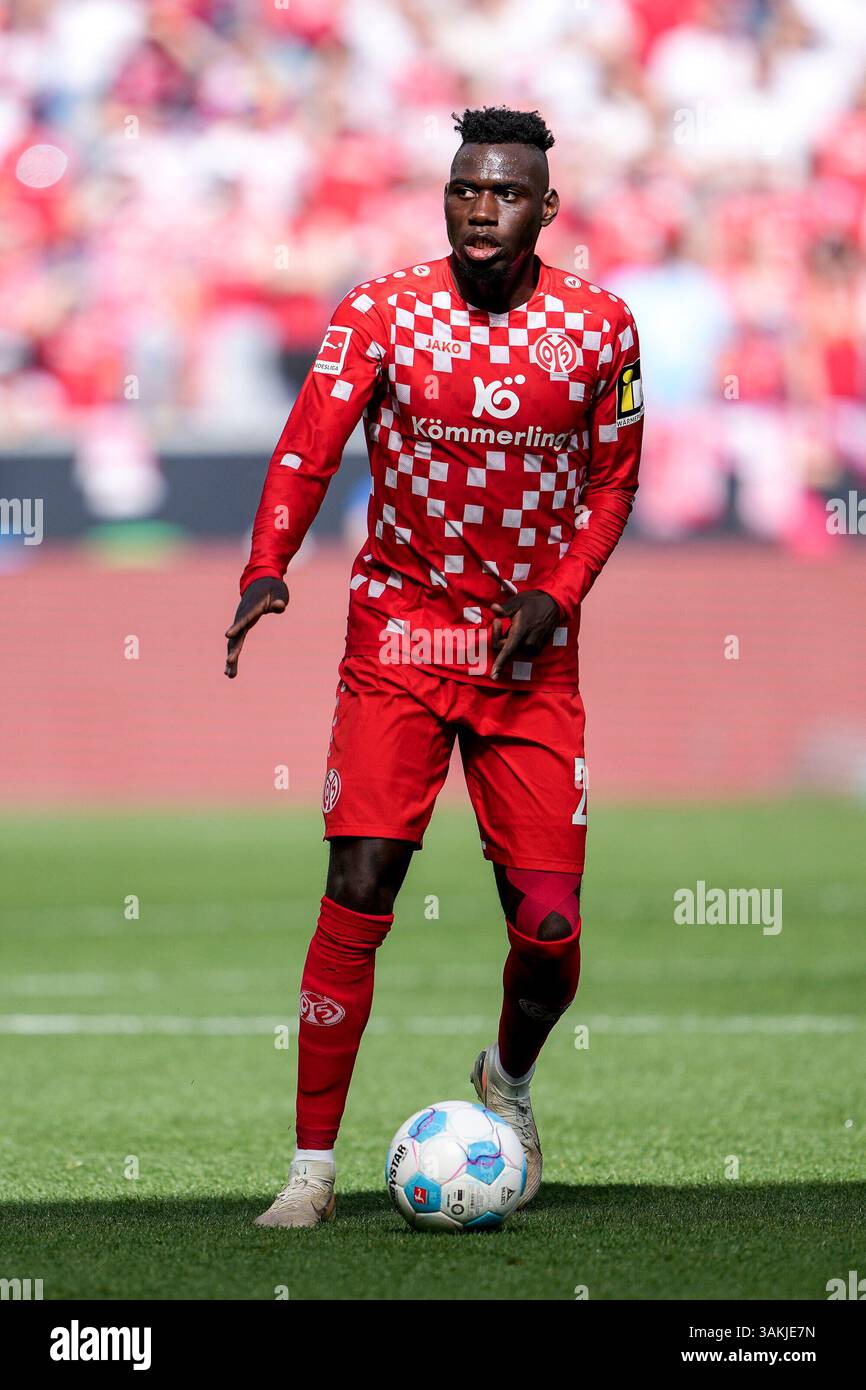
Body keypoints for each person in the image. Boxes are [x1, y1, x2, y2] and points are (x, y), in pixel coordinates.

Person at [225, 105, 644, 1227]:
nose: (477, 208)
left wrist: (554, 594)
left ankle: (504, 1077)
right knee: (358, 884)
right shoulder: (381, 312)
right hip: (400, 642)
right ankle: (311, 1170)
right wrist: (267, 561)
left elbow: (612, 488)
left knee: (549, 932)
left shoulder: (600, 328)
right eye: (463, 188)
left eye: (502, 191)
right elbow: (307, 447)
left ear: (544, 207)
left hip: (527, 660)